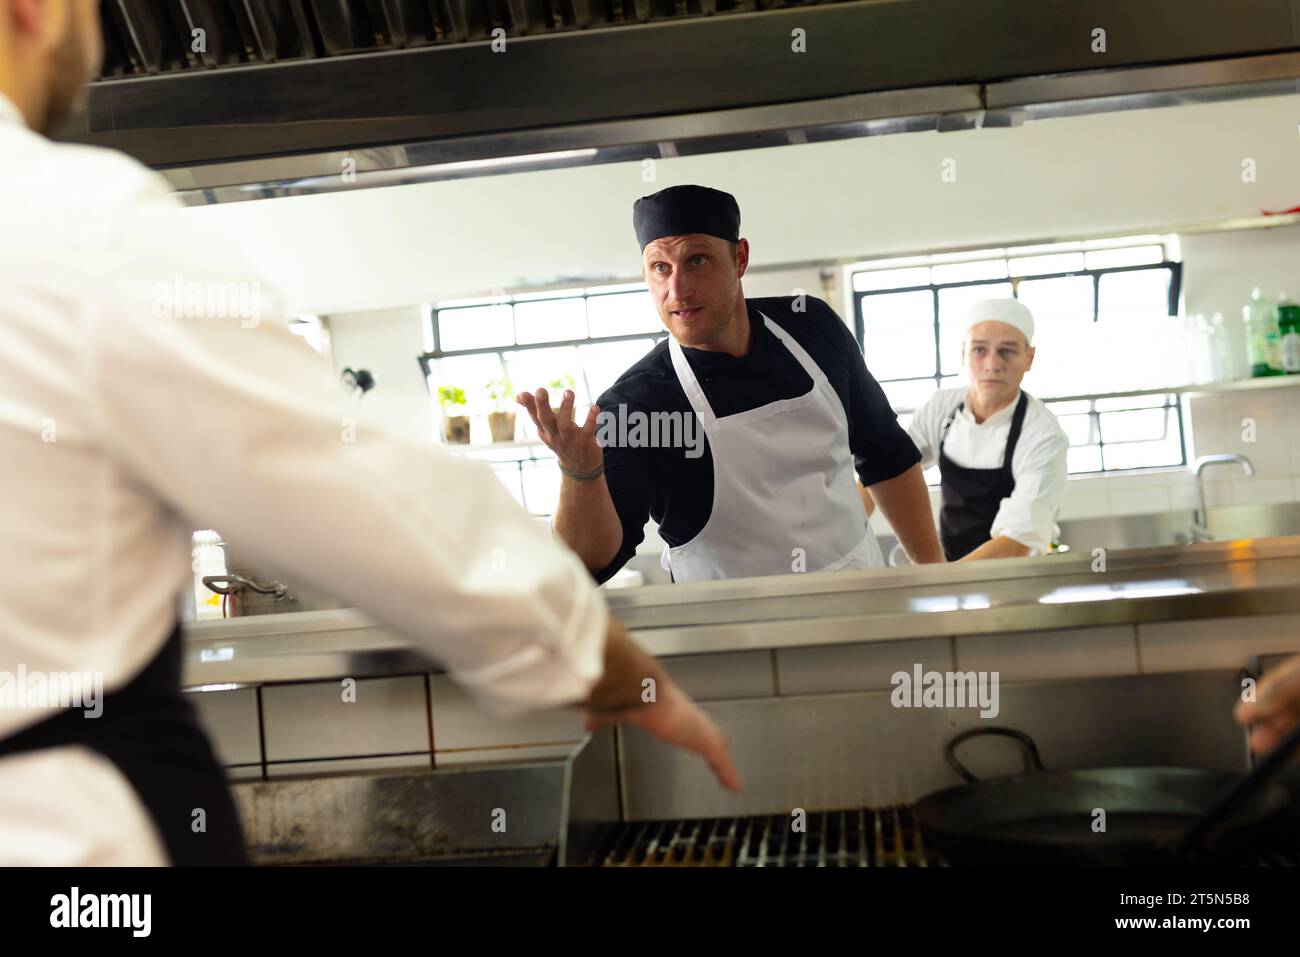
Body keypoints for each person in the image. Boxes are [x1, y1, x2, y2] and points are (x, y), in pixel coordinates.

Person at [0, 0, 738, 867]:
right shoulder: (71, 219)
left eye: (696, 261)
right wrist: (603, 660)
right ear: (34, 10)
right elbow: (352, 494)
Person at [517, 184, 944, 584]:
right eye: (660, 268)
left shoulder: (812, 327)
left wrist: (936, 580)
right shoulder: (636, 404)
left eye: (697, 261)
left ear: (739, 258)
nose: (677, 289)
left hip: (861, 602)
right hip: (733, 637)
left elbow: (886, 456)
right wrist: (580, 473)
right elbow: (590, 564)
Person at [888, 298, 1069, 562]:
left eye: (1007, 351)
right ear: (963, 353)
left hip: (1014, 572)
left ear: (1029, 358)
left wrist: (943, 582)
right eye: (979, 350)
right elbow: (888, 467)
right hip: (952, 564)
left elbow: (1018, 541)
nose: (992, 364)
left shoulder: (1043, 434)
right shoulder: (942, 407)